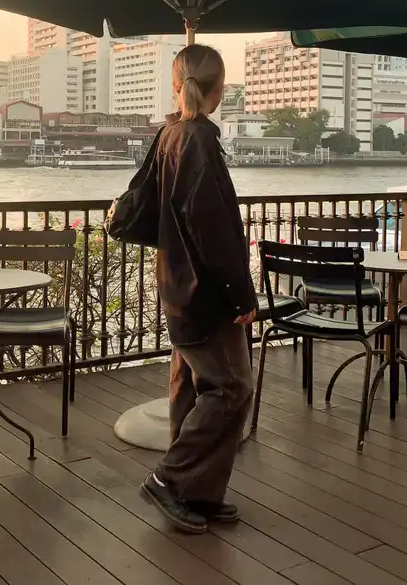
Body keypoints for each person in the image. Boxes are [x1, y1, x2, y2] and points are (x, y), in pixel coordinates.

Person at [141, 43, 257, 534]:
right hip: (204, 291)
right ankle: (169, 479)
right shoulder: (198, 140)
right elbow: (212, 229)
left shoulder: (170, 133)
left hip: (176, 282)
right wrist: (241, 293)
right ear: (220, 89)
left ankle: (199, 492)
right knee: (232, 387)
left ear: (176, 85)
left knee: (191, 388)